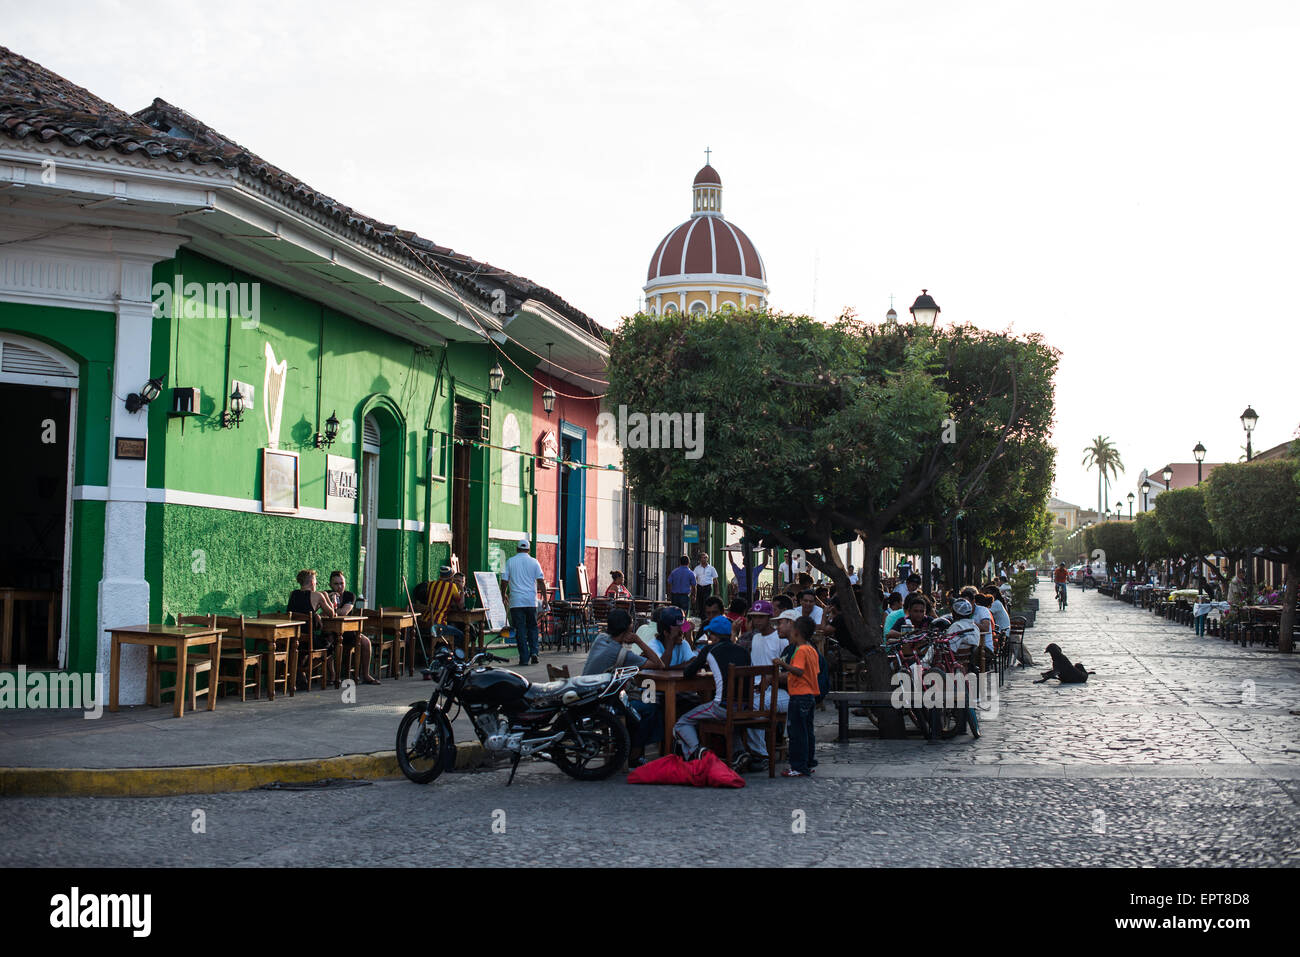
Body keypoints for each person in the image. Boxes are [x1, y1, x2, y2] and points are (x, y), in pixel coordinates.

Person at [582, 609, 663, 768]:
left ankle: (629, 749)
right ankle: (635, 755)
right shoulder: (622, 654)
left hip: (589, 697)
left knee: (635, 704)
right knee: (650, 708)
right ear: (627, 631)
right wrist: (638, 641)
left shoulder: (600, 639)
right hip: (602, 705)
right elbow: (659, 664)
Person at [675, 615, 752, 766]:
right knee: (732, 720)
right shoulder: (743, 651)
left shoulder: (710, 650)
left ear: (712, 635)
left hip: (722, 707)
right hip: (746, 707)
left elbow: (688, 672)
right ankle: (739, 753)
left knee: (682, 722)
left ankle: (697, 750)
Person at [775, 615, 820, 777]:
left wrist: (783, 664)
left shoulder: (800, 651)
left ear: (797, 633)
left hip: (799, 694)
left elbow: (799, 671)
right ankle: (808, 762)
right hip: (809, 694)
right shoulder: (812, 650)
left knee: (796, 732)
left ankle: (798, 766)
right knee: (807, 731)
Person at [325, 570, 378, 684]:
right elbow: (320, 612)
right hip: (331, 630)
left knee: (366, 642)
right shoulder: (326, 594)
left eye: (342, 583)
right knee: (326, 642)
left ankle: (366, 674)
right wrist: (329, 599)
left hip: (348, 630)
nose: (339, 587)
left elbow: (344, 612)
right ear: (330, 585)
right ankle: (333, 675)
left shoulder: (350, 595)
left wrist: (331, 610)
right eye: (336, 584)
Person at [287, 569, 338, 689]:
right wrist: (326, 596)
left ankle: (300, 672)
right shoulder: (318, 595)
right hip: (309, 640)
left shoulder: (293, 594)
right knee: (329, 647)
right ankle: (302, 670)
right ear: (311, 583)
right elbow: (332, 614)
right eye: (316, 581)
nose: (316, 584)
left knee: (303, 651)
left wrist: (315, 614)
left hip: (293, 638)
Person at [501, 539, 547, 666]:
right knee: (532, 627)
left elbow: (504, 581)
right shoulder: (534, 562)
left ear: (517, 549)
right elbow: (541, 581)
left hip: (516, 601)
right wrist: (545, 599)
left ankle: (524, 658)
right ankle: (534, 652)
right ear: (528, 549)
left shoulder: (510, 561)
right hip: (531, 601)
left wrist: (503, 594)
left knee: (520, 629)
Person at [416, 565, 466, 652]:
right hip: (438, 625)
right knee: (460, 635)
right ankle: (449, 654)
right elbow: (461, 606)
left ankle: (441, 650)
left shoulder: (431, 584)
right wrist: (462, 590)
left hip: (424, 622)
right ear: (450, 577)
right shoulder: (452, 587)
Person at [693, 553, 718, 619]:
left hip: (707, 587)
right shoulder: (697, 568)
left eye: (705, 558)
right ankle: (701, 616)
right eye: (702, 557)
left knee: (706, 602)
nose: (704, 559)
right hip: (699, 587)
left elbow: (715, 580)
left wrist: (717, 591)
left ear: (707, 559)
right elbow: (694, 579)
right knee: (700, 602)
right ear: (700, 559)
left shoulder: (711, 568)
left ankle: (705, 617)